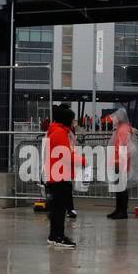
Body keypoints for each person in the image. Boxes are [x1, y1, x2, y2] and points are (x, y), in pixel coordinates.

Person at [44, 105, 82, 249]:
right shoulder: (60, 133)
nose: (74, 123)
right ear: (66, 120)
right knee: (59, 209)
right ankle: (58, 237)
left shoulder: (55, 131)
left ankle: (54, 236)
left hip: (56, 174)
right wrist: (82, 160)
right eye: (72, 120)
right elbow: (66, 155)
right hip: (59, 175)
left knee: (56, 209)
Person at [108, 107, 138, 218]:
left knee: (121, 188)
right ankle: (119, 210)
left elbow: (126, 147)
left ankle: (122, 211)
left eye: (115, 117)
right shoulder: (121, 128)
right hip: (118, 162)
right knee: (119, 188)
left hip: (120, 162)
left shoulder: (123, 129)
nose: (113, 119)